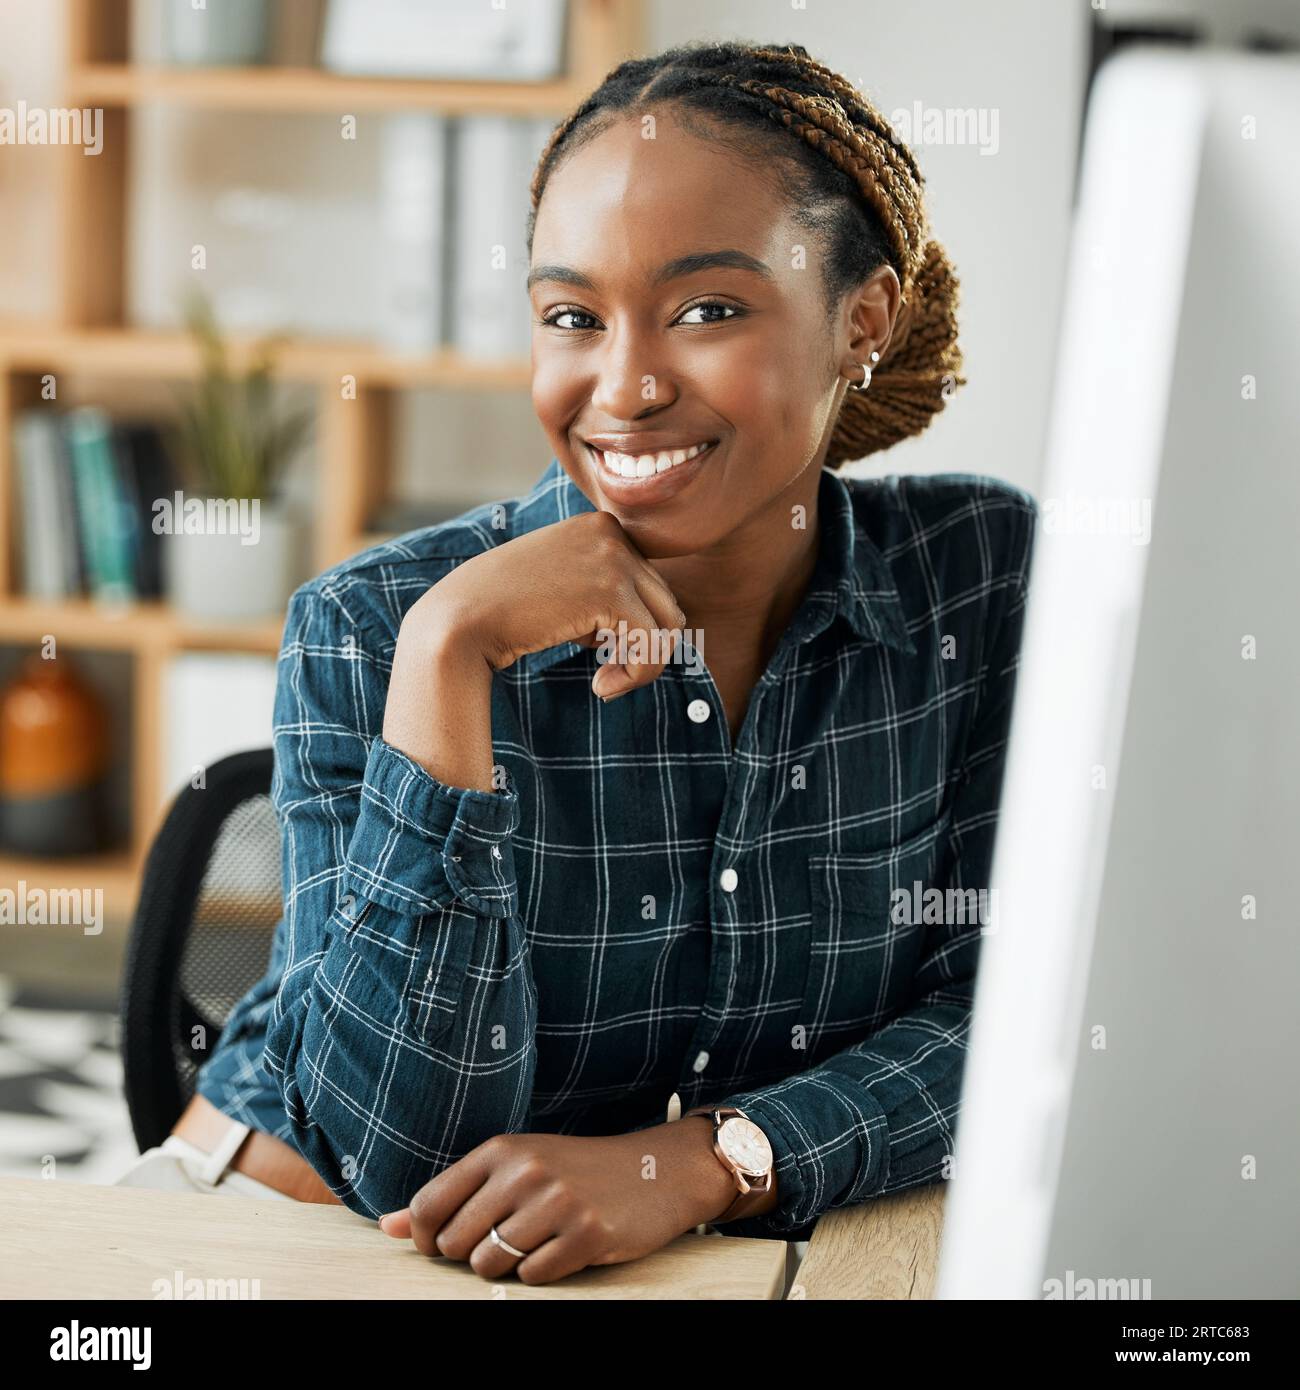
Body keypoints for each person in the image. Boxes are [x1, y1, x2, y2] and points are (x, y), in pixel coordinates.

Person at [115, 39, 1036, 1287]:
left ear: (860, 319)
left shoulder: (975, 577)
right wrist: (449, 656)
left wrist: (705, 1160)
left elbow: (1014, 1009)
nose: (628, 384)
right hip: (294, 1230)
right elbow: (400, 1153)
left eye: (708, 309)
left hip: (695, 1246)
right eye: (572, 317)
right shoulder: (377, 622)